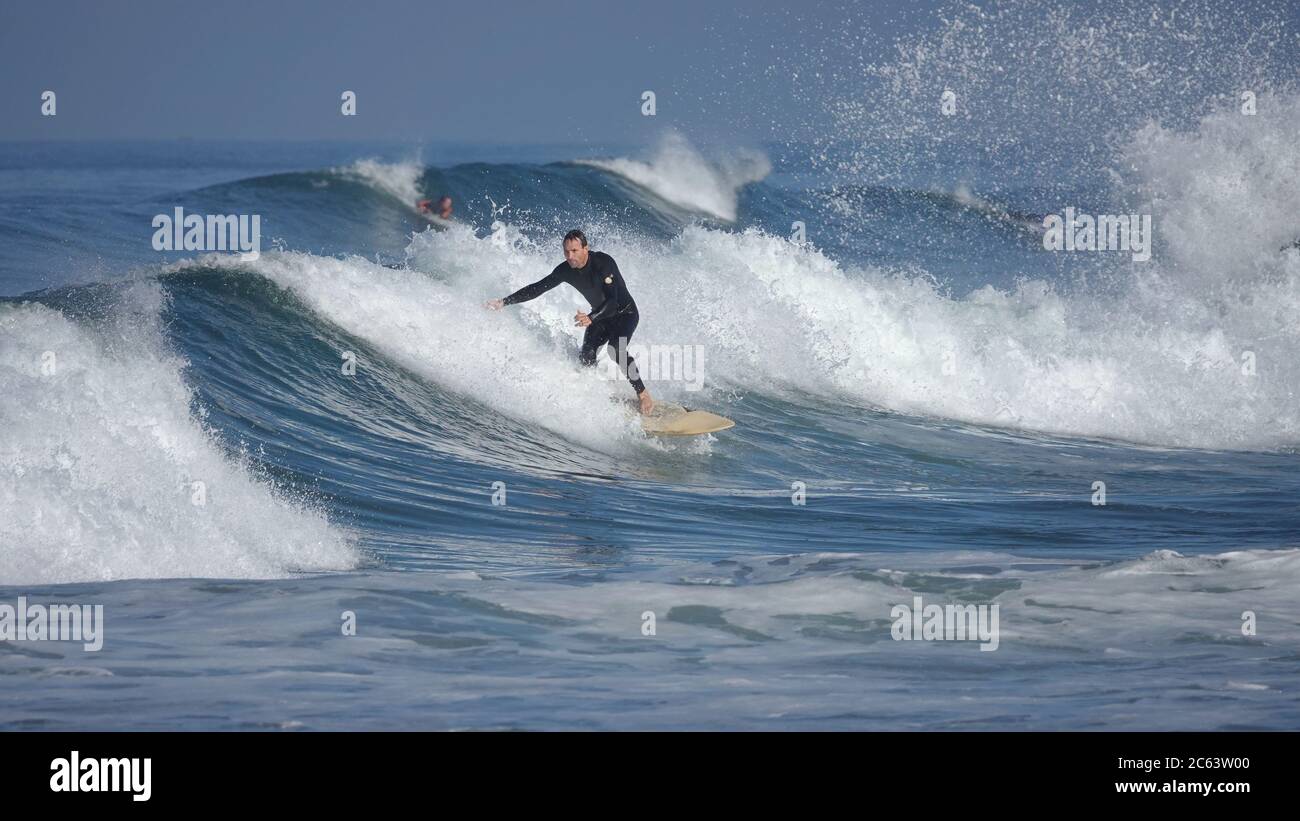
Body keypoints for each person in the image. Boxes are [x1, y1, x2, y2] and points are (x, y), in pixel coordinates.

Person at [486, 229, 654, 414]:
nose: (570, 256)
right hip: (599, 316)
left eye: (574, 251)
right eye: (566, 251)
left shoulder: (603, 263)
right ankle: (597, 390)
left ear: (586, 248)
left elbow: (613, 302)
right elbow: (537, 288)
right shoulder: (565, 270)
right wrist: (504, 301)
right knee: (586, 356)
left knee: (615, 349)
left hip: (625, 313)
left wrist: (591, 317)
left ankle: (643, 393)